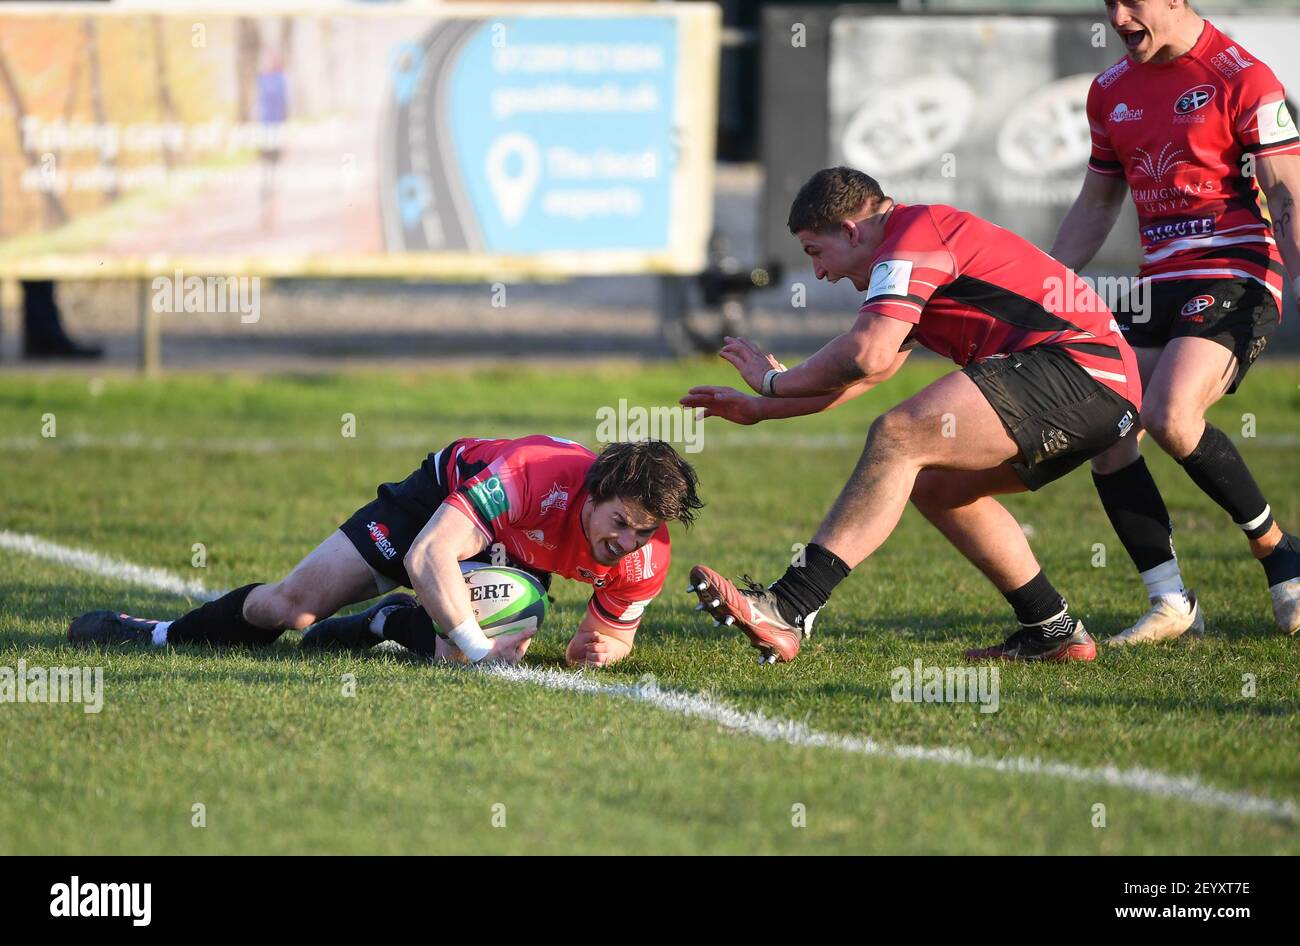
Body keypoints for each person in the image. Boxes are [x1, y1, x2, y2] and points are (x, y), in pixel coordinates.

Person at [681, 167, 1141, 663]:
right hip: (1096, 391)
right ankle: (1052, 629)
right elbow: (867, 374)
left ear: (852, 230)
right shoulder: (916, 246)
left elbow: (867, 354)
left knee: (900, 434)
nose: (819, 272)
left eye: (816, 252)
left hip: (1082, 371)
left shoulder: (914, 236)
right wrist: (760, 407)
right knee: (937, 487)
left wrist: (773, 382)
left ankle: (789, 606)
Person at [1051, 0, 1300, 642]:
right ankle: (1170, 602)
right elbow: (1098, 201)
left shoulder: (1244, 77)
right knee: (1102, 426)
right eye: (1109, 3)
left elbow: (1287, 194)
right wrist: (1042, 285)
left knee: (1170, 415)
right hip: (1154, 285)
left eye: (1133, 2)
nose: (1119, 16)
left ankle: (1278, 555)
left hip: (1236, 270)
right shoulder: (1109, 91)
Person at [68, 437, 702, 667]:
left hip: (510, 547)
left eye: (643, 533)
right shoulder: (531, 475)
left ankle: (388, 622)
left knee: (488, 632)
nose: (626, 543)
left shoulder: (644, 553)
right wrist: (482, 650)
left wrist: (598, 653)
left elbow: (610, 637)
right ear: (591, 493)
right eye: (620, 523)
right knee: (289, 610)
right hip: (437, 504)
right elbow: (431, 553)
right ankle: (156, 635)